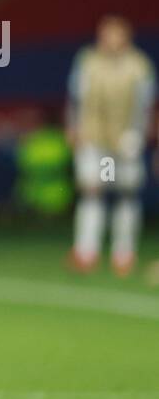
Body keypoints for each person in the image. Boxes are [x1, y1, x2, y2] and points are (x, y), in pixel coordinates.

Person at [66, 15, 155, 276]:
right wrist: (74, 128)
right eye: (106, 34)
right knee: (93, 191)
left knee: (126, 193)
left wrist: (138, 133)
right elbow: (76, 98)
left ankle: (123, 253)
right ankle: (86, 251)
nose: (110, 40)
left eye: (116, 34)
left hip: (125, 142)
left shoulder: (139, 66)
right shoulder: (88, 62)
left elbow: (145, 104)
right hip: (96, 140)